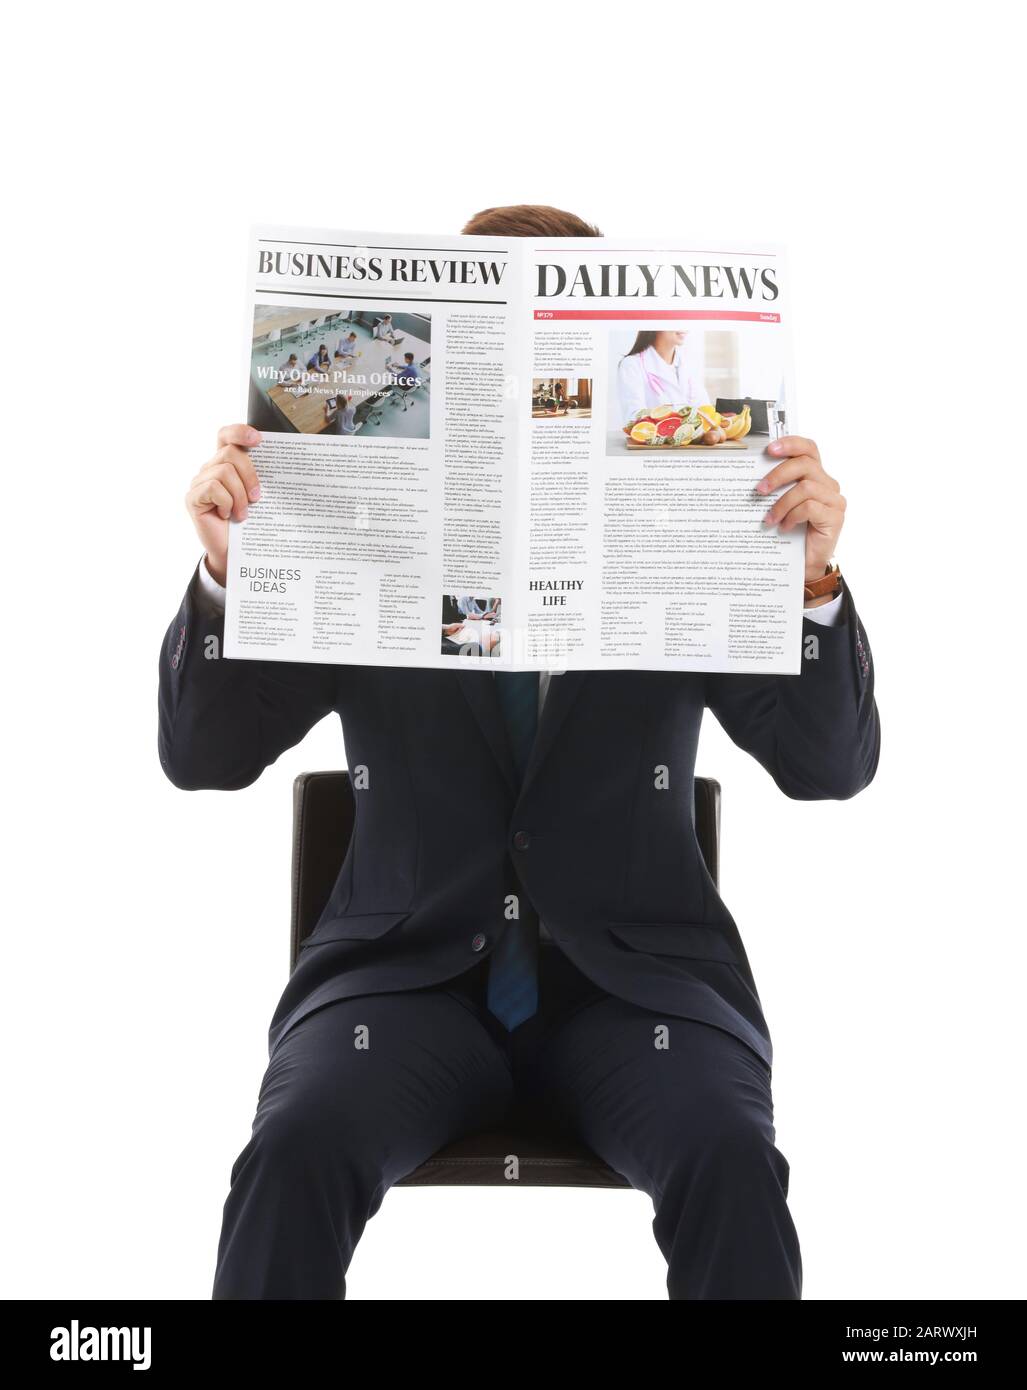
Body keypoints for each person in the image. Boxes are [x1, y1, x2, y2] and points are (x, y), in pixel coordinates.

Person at [160, 203, 880, 1301]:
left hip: (638, 989)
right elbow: (202, 757)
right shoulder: (365, 527)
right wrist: (228, 575)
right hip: (401, 986)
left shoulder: (684, 519)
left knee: (731, 1158)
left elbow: (826, 768)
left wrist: (812, 584)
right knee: (293, 1147)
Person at [617, 329, 710, 422]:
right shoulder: (632, 364)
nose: (683, 326)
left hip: (693, 436)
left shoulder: (689, 363)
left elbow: (705, 410)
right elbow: (634, 418)